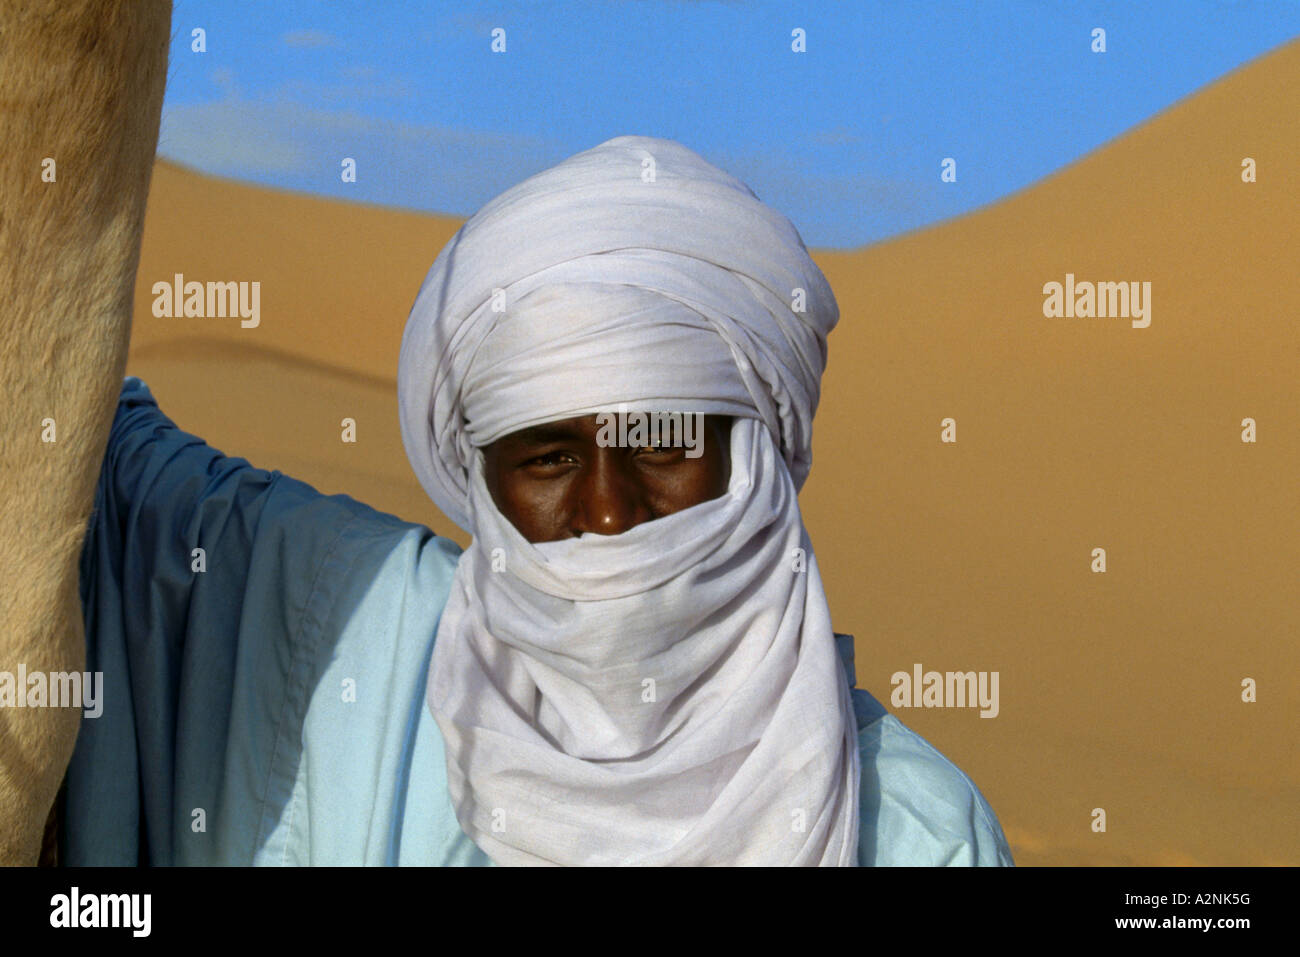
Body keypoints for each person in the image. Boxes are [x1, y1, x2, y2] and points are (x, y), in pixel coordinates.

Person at [61, 135, 1013, 866]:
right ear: (482, 482)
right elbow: (79, 471)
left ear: (757, 459)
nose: (607, 512)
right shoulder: (356, 679)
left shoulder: (920, 836)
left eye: (664, 444)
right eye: (550, 459)